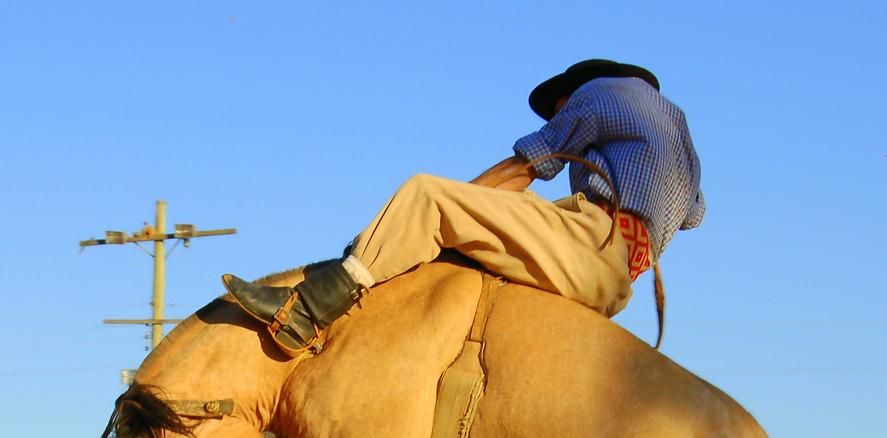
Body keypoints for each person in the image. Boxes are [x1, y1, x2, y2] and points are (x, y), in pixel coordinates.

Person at [221, 59, 704, 355]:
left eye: (557, 108)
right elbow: (693, 215)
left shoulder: (597, 94)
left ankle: (306, 308)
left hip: (589, 243)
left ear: (570, 95)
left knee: (428, 194)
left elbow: (526, 167)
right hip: (618, 285)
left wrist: (435, 215)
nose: (559, 114)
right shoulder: (679, 130)